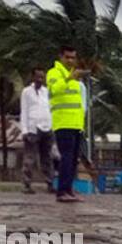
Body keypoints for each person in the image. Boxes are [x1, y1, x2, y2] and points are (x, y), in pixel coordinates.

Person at [46, 44, 89, 203]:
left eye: (73, 57)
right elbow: (54, 90)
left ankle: (69, 189)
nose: (70, 60)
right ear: (61, 57)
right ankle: (62, 191)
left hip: (76, 123)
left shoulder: (74, 77)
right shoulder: (54, 73)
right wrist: (69, 78)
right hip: (63, 122)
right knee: (66, 156)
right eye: (67, 57)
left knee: (73, 159)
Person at [19, 67, 53, 194]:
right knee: (30, 158)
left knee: (47, 157)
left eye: (42, 77)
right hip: (33, 128)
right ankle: (27, 184)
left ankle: (50, 183)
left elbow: (50, 109)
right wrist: (24, 130)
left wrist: (52, 126)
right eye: (37, 77)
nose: (40, 79)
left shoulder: (46, 92)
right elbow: (24, 111)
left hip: (47, 127)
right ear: (33, 77)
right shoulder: (26, 92)